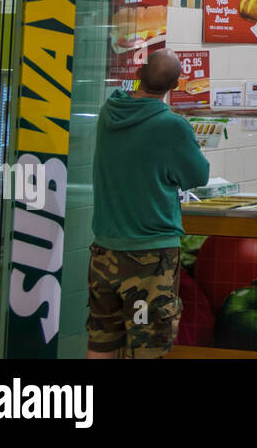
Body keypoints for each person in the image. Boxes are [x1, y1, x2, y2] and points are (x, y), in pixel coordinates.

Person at [86, 49, 210, 359]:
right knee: (146, 347)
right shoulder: (172, 126)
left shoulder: (109, 111)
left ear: (139, 72)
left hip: (103, 252)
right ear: (176, 85)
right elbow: (198, 175)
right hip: (149, 260)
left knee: (101, 341)